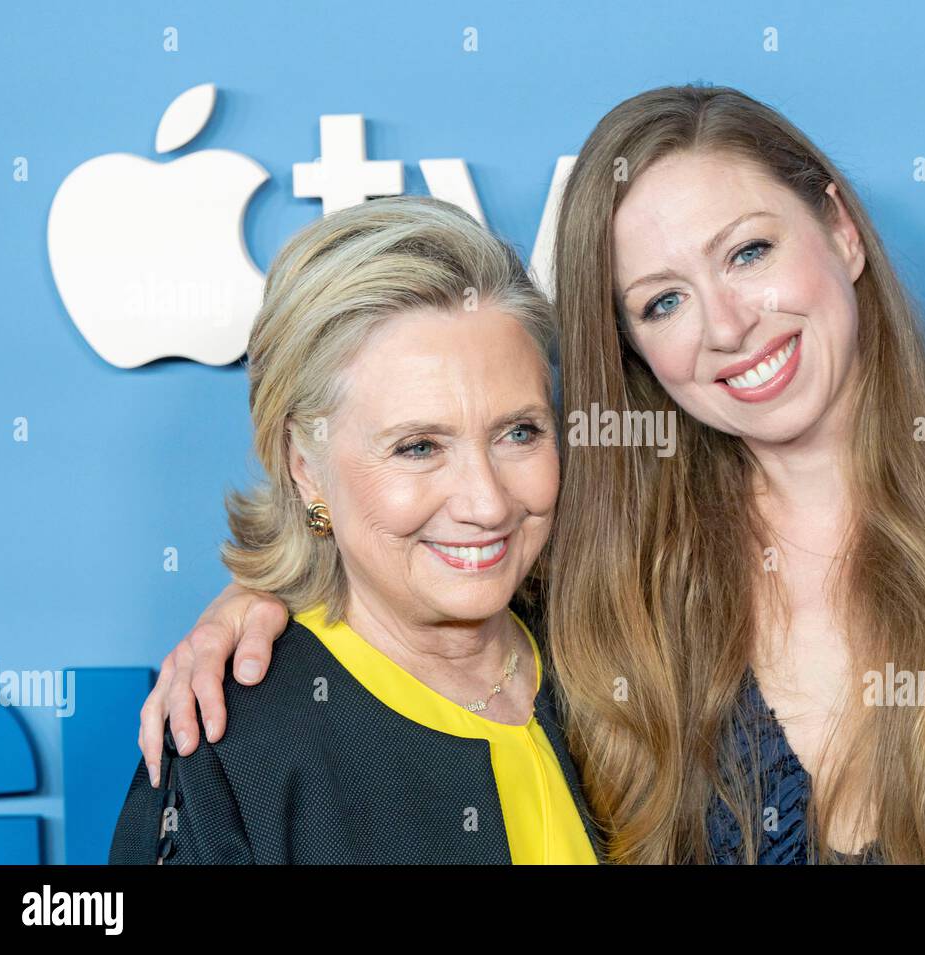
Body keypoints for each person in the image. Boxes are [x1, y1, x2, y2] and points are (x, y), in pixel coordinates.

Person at [132, 85, 925, 864]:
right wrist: (266, 592)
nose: (725, 325)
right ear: (631, 352)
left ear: (841, 229)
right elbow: (423, 570)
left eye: (748, 251)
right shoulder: (623, 548)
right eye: (660, 301)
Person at [110, 196, 599, 864]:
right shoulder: (230, 750)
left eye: (519, 432)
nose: (486, 502)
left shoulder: (621, 665)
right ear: (304, 466)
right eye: (419, 446)